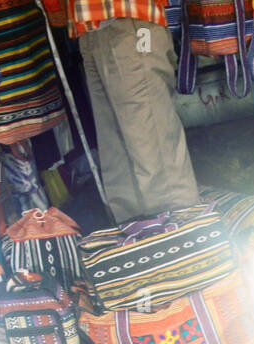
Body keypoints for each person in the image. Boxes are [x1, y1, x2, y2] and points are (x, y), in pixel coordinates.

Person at [71, 1, 200, 223]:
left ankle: (183, 238)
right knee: (118, 156)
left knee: (154, 151)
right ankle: (143, 241)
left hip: (129, 18)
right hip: (90, 23)